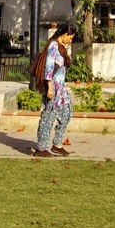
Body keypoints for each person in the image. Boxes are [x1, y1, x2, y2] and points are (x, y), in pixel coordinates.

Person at [32, 23, 76, 158]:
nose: (71, 40)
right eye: (70, 37)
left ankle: (57, 145)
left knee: (67, 113)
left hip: (61, 90)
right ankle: (41, 148)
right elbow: (49, 67)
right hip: (53, 88)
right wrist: (49, 87)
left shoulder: (60, 47)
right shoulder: (53, 46)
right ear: (64, 35)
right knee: (48, 117)